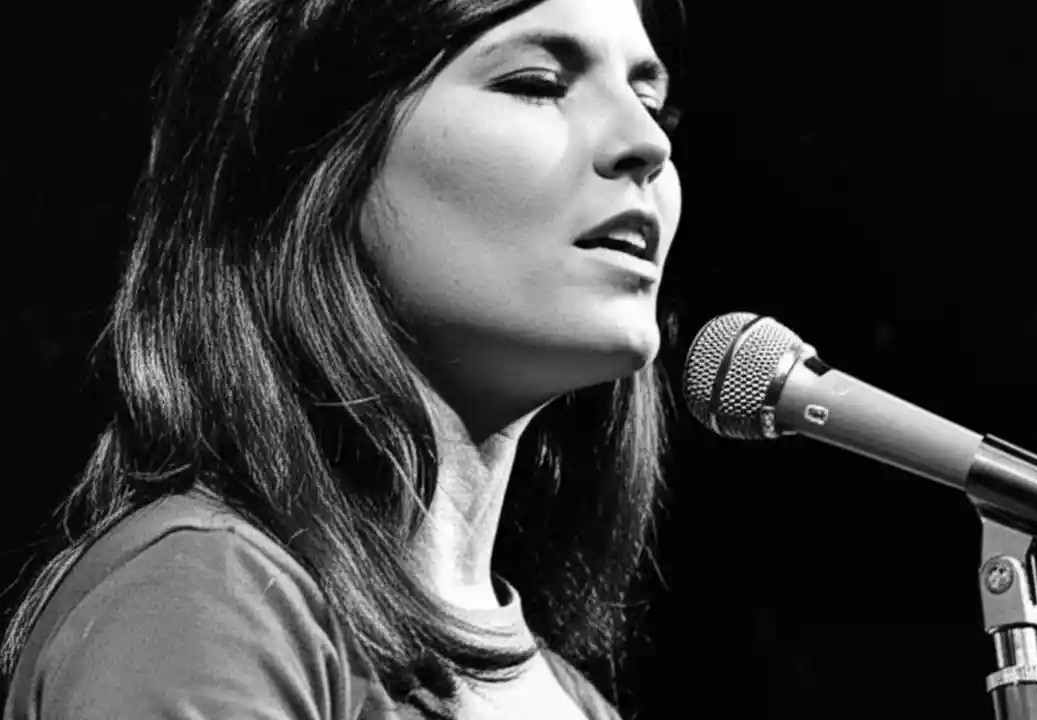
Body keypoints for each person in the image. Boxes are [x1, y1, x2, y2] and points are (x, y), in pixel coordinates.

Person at [1, 0, 685, 716]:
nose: (647, 143)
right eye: (536, 83)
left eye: (651, 103)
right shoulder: (205, 601)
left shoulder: (576, 703)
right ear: (317, 160)